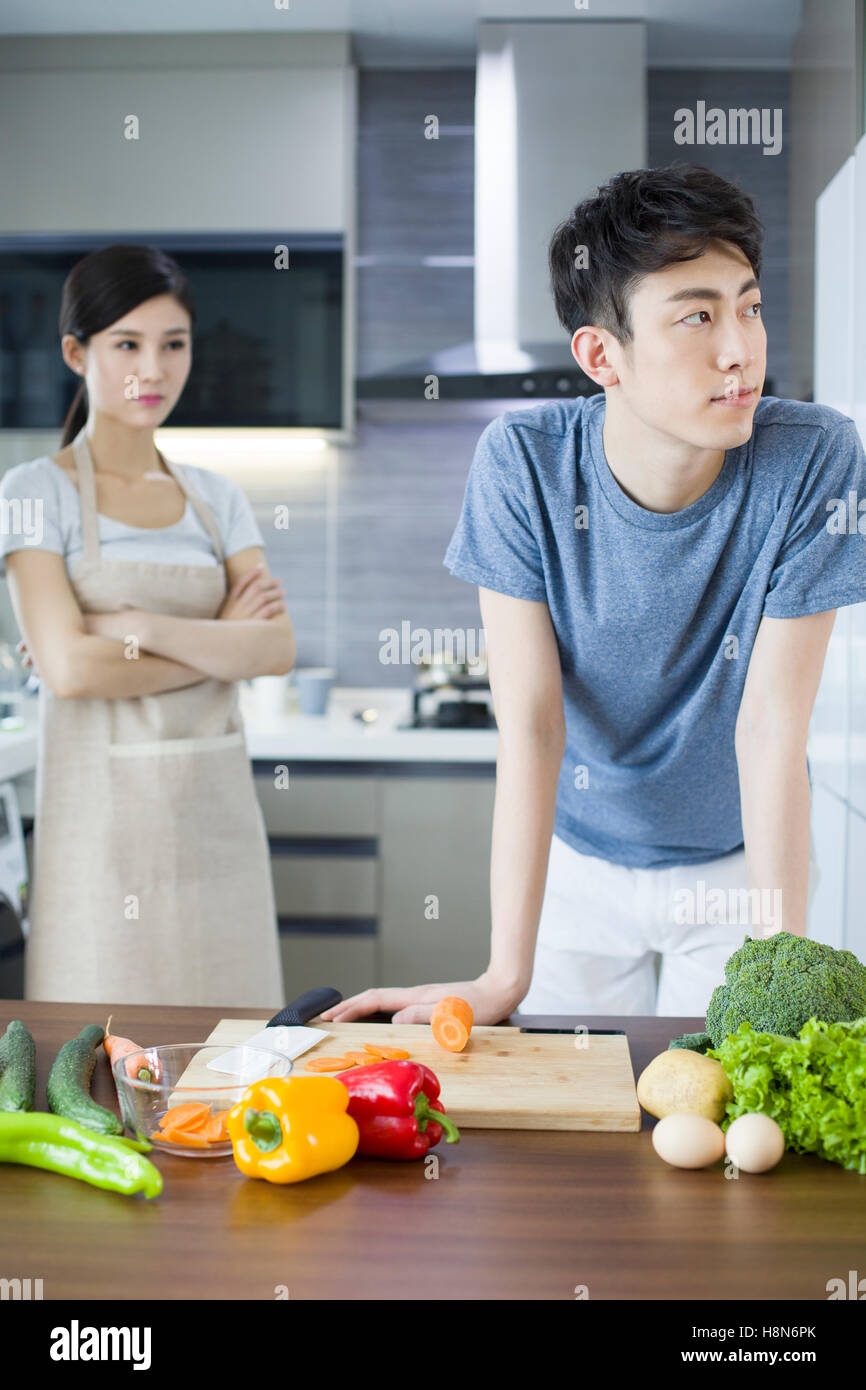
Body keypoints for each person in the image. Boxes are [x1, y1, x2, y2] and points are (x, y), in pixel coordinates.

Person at [320, 162, 866, 1030]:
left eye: (749, 305)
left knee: (725, 1132)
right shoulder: (523, 463)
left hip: (738, 870)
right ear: (600, 355)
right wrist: (504, 974)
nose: (740, 348)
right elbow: (534, 723)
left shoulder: (814, 458)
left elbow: (771, 728)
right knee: (581, 1139)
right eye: (697, 314)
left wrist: (776, 963)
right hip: (579, 872)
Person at [0, 243, 293, 1007]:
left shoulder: (217, 496)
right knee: (100, 1062)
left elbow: (274, 647)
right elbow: (68, 670)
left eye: (174, 345)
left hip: (215, 830)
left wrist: (130, 623)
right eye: (127, 344)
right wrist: (217, 644)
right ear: (77, 352)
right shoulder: (34, 492)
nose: (153, 370)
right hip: (99, 845)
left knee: (235, 1070)